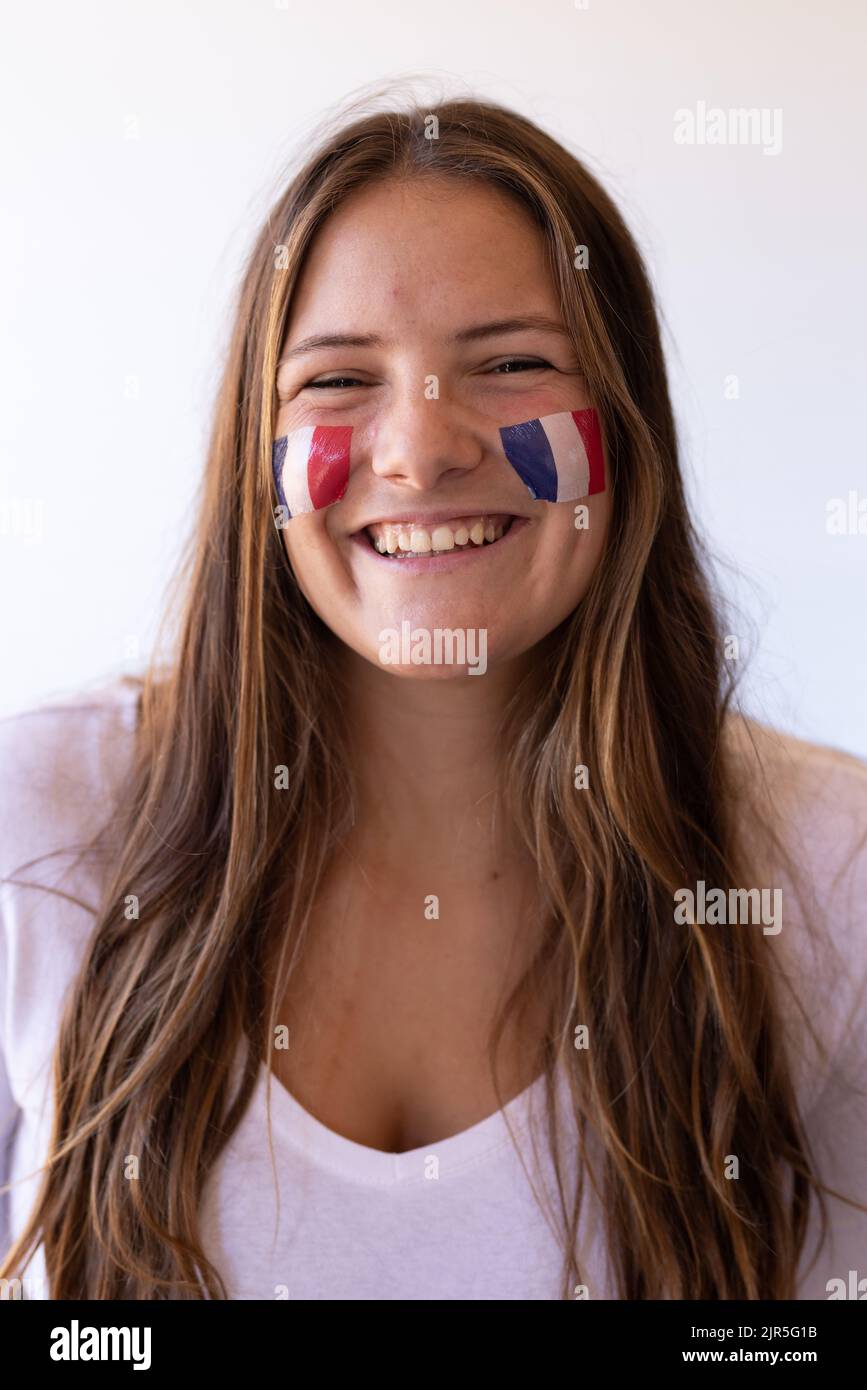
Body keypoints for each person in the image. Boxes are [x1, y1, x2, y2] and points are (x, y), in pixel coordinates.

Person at [1, 95, 865, 1301]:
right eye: (340, 378)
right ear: (260, 459)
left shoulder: (833, 867)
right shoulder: (36, 822)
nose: (418, 448)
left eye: (513, 363)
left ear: (628, 421)